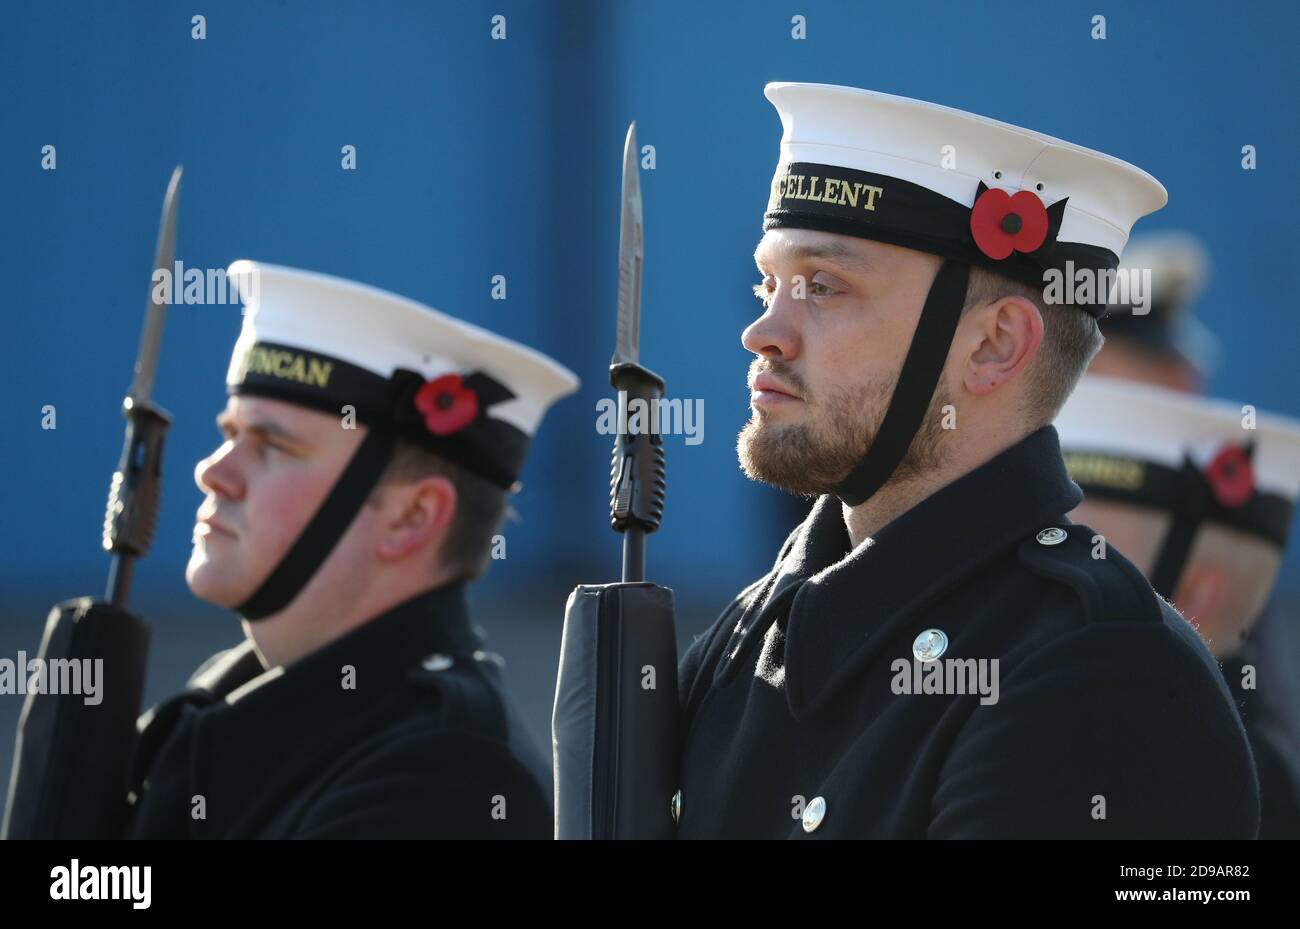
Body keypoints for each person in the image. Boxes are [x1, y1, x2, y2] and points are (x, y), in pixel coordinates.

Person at [673, 82, 1259, 838]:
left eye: (822, 286)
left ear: (994, 346)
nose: (763, 330)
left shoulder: (1096, 671)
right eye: (769, 282)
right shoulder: (746, 637)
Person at [124, 260, 577, 838]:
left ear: (411, 518)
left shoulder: (447, 783)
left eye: (273, 446)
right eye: (230, 434)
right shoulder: (234, 688)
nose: (213, 473)